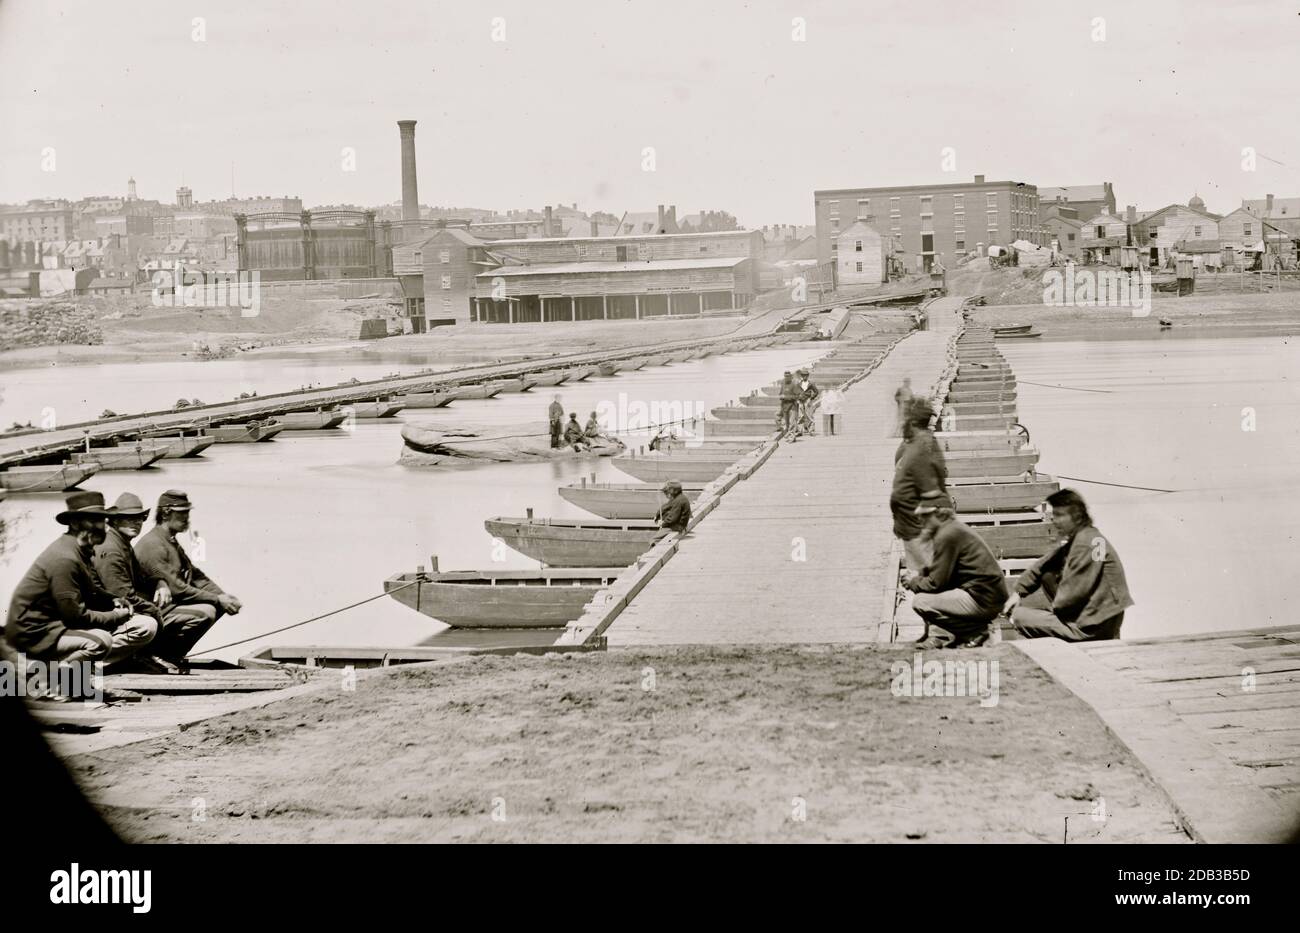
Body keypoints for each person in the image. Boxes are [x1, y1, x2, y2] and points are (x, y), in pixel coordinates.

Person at [4, 491, 157, 678]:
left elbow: (91, 590)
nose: (100, 527)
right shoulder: (65, 558)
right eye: (92, 521)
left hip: (52, 626)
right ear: (75, 524)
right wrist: (115, 616)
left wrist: (114, 600)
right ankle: (45, 676)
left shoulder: (79, 549)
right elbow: (74, 616)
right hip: (34, 632)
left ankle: (69, 671)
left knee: (112, 634)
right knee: (100, 641)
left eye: (101, 520)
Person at [95, 492, 210, 673]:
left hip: (117, 612)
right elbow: (122, 596)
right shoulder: (111, 550)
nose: (136, 523)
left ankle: (142, 655)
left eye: (140, 518)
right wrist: (153, 611)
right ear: (115, 521)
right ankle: (95, 661)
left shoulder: (123, 544)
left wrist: (159, 582)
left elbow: (142, 575)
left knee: (197, 613)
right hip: (104, 618)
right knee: (147, 626)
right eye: (129, 518)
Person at [1006, 489, 1133, 642]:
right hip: (1097, 617)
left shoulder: (1085, 544)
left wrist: (1048, 615)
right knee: (1048, 570)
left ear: (1077, 517)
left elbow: (1074, 592)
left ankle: (1074, 636)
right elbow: (1042, 565)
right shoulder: (1085, 536)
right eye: (1054, 514)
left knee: (1019, 617)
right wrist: (1018, 592)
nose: (1054, 520)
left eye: (1060, 515)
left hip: (1094, 627)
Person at [135, 490, 241, 665]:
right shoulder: (153, 544)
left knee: (218, 604)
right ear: (166, 513)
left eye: (187, 512)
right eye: (182, 513)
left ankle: (170, 655)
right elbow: (176, 588)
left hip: (168, 609)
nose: (187, 518)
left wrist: (222, 596)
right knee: (206, 612)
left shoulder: (169, 541)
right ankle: (156, 656)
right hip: (151, 613)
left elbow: (196, 576)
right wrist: (217, 599)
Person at [902, 491, 1008, 648]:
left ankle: (974, 631)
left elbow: (935, 584)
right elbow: (937, 571)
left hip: (983, 600)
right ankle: (939, 635)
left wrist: (913, 581)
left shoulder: (948, 534)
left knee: (921, 601)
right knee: (924, 587)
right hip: (984, 595)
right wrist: (918, 576)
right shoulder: (950, 529)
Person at [891, 398, 946, 574]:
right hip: (921, 519)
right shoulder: (925, 445)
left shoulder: (908, 445)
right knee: (928, 571)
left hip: (912, 518)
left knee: (921, 570)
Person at [794, 368, 819, 435]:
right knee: (801, 416)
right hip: (801, 401)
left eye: (806, 375)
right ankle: (800, 431)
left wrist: (811, 398)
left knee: (809, 415)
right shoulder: (799, 384)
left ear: (808, 376)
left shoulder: (811, 384)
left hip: (808, 400)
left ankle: (811, 430)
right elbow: (795, 392)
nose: (804, 376)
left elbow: (816, 392)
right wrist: (798, 398)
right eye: (803, 375)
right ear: (801, 376)